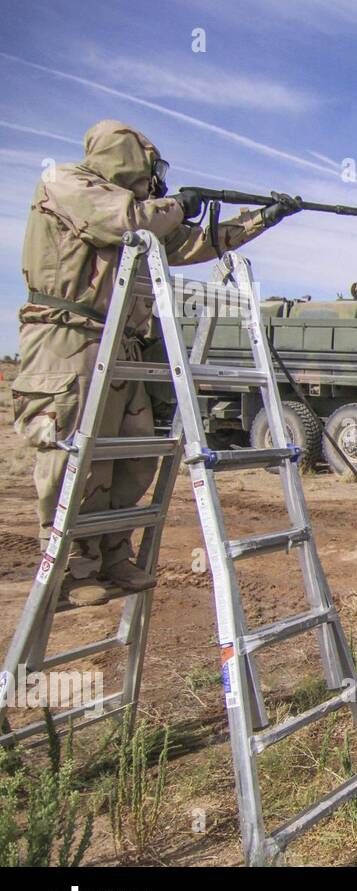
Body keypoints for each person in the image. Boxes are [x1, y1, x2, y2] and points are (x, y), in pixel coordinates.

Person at [13, 119, 302, 606]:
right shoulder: (67, 183)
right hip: (69, 339)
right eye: (150, 170)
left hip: (120, 347)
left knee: (134, 456)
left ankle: (112, 557)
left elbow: (193, 242)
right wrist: (176, 205)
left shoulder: (146, 215)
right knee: (78, 460)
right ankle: (74, 570)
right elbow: (128, 220)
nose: (155, 179)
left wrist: (262, 219)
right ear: (125, 158)